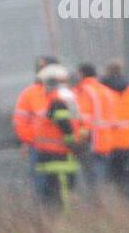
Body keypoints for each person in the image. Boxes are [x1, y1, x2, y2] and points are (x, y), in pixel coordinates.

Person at [31, 64, 83, 209]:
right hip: (62, 152)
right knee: (63, 188)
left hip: (56, 153)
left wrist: (71, 140)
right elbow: (77, 122)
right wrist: (77, 141)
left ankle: (62, 220)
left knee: (57, 191)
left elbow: (64, 123)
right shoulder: (70, 98)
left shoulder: (56, 99)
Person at [13, 55, 58, 201]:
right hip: (38, 149)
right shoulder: (29, 93)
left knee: (60, 187)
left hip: (61, 148)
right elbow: (21, 121)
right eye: (40, 69)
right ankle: (44, 218)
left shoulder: (63, 92)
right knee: (41, 187)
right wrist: (30, 140)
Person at [100, 60, 129, 197]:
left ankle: (111, 203)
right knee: (125, 176)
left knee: (108, 177)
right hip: (127, 140)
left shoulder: (102, 91)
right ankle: (127, 200)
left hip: (107, 141)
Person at [74, 63, 111, 197]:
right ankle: (102, 198)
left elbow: (84, 116)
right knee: (100, 172)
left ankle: (95, 201)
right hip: (105, 139)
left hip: (91, 140)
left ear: (82, 74)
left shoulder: (85, 91)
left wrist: (81, 137)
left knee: (91, 176)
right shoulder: (104, 90)